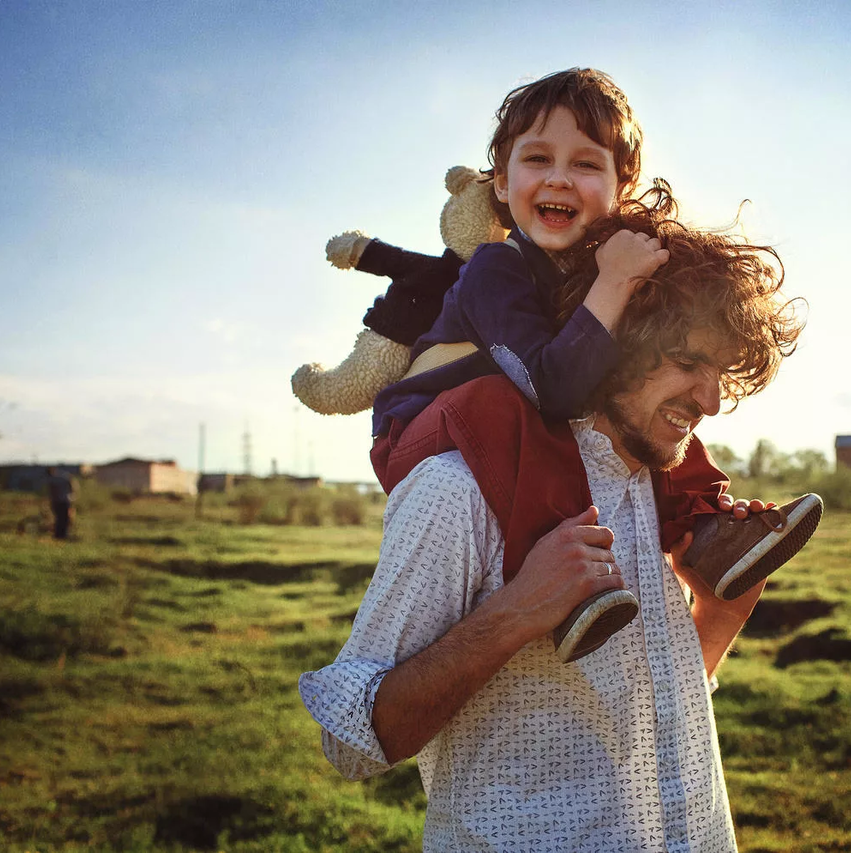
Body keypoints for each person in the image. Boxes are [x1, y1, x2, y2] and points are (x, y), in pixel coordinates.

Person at [300, 212, 805, 850]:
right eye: (686, 362)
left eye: (723, 376)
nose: (709, 401)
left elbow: (641, 706)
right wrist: (515, 613)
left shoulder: (665, 493)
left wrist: (720, 613)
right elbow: (352, 743)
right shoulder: (459, 488)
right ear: (615, 334)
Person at [369, 68, 818, 661]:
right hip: (426, 428)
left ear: (620, 186)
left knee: (648, 393)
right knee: (504, 400)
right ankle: (566, 576)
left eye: (585, 164)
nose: (559, 177)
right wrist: (614, 279)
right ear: (501, 184)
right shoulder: (494, 270)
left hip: (513, 422)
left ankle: (708, 531)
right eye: (537, 158)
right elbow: (550, 390)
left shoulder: (591, 269)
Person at [45, 466, 75, 539]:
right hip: (64, 500)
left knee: (60, 519)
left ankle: (60, 535)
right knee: (63, 519)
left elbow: (51, 491)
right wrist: (72, 495)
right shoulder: (64, 476)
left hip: (60, 501)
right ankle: (62, 535)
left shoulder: (55, 478)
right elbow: (72, 485)